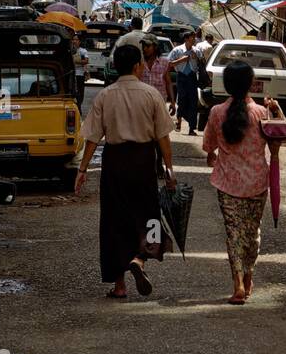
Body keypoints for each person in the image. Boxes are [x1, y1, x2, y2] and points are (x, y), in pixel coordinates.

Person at [75, 43, 176, 300]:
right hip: (143, 162)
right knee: (149, 216)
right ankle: (141, 258)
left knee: (114, 221)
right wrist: (169, 168)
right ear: (136, 66)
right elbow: (163, 137)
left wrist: (83, 168)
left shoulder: (105, 95)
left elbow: (93, 138)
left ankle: (119, 285)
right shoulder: (151, 95)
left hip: (115, 163)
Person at [203, 60, 282, 304]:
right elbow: (282, 137)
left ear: (226, 85)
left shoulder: (217, 112)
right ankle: (248, 276)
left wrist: (212, 155)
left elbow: (209, 146)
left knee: (234, 233)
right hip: (258, 182)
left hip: (227, 183)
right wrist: (277, 111)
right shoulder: (262, 113)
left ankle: (237, 282)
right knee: (252, 233)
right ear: (250, 84)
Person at [166, 29, 203, 135]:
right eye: (192, 38)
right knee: (181, 100)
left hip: (192, 77)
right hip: (181, 77)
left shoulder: (196, 50)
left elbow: (201, 63)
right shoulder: (177, 50)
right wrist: (181, 60)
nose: (194, 40)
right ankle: (179, 121)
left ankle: (192, 128)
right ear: (186, 39)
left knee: (193, 101)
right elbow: (169, 64)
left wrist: (197, 58)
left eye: (195, 38)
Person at [140, 36, 174, 108]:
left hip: (159, 102)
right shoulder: (139, 63)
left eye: (148, 46)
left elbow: (168, 83)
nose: (144, 49)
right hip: (143, 102)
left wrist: (172, 102)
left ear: (155, 47)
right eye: (143, 46)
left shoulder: (164, 62)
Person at [71, 33, 90, 109]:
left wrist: (76, 61)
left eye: (76, 39)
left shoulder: (83, 51)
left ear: (79, 41)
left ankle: (79, 105)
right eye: (73, 39)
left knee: (80, 92)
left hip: (80, 74)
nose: (74, 41)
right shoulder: (69, 50)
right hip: (72, 74)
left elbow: (86, 61)